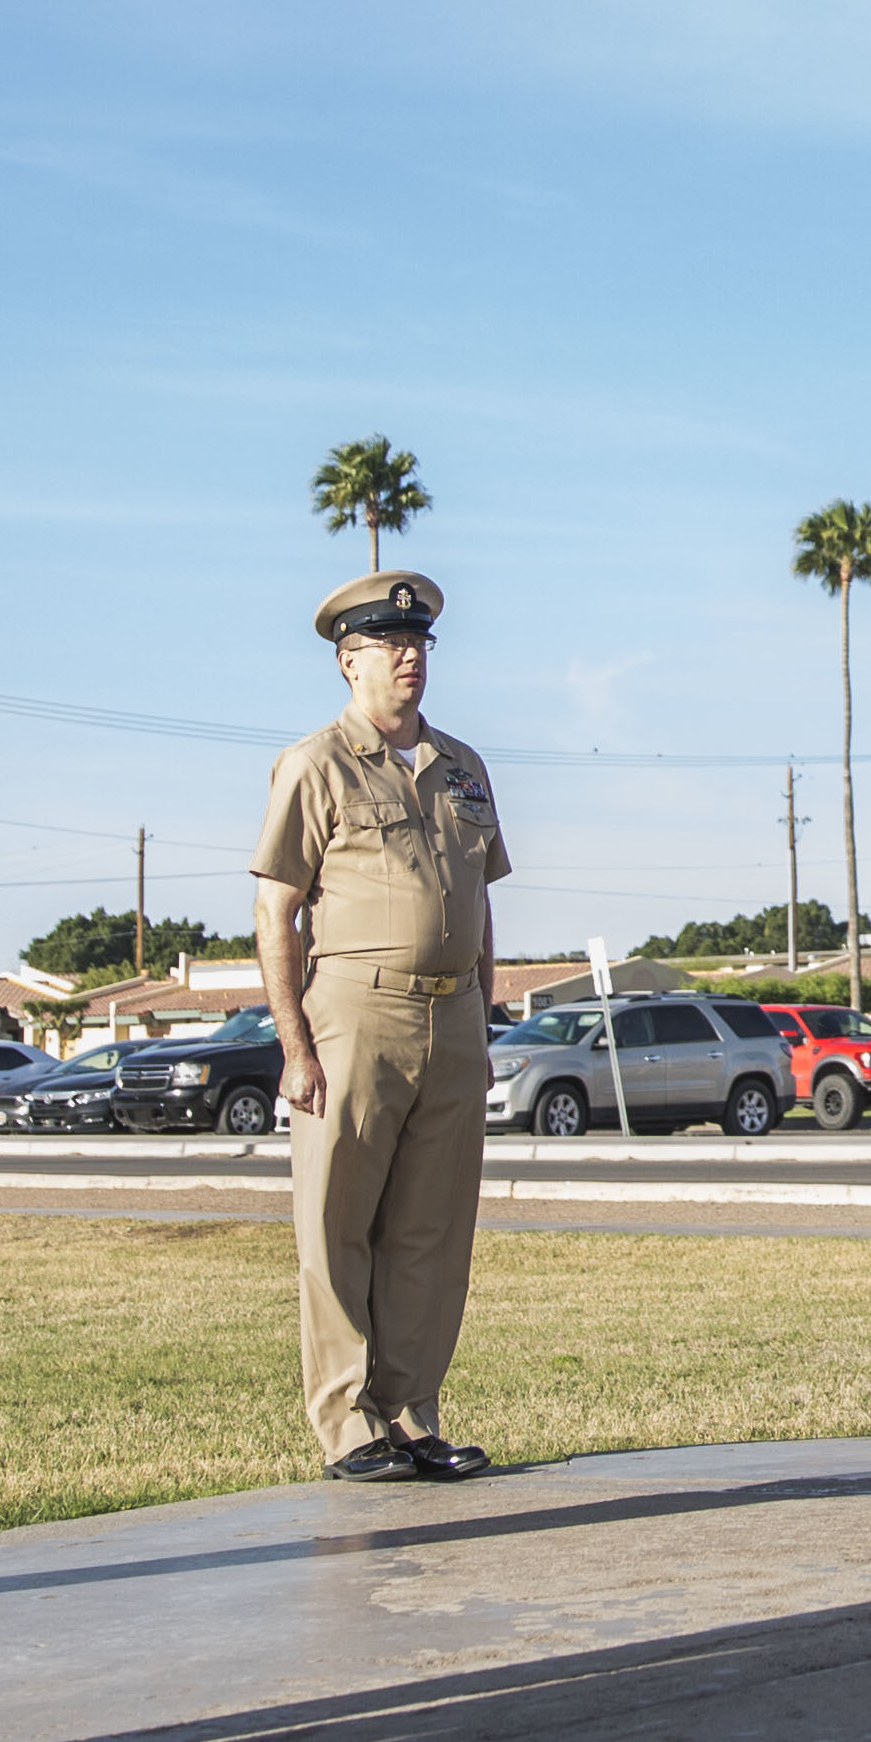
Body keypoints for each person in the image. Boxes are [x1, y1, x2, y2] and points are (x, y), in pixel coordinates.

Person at [253, 570, 513, 1482]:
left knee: (432, 1229)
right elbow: (276, 910)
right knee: (339, 1222)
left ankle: (412, 1412)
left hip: (453, 1015)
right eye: (389, 644)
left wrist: (486, 1021)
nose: (410, 656)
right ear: (347, 660)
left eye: (420, 643)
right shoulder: (314, 764)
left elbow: (479, 903)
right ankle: (347, 1422)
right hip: (354, 1011)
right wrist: (293, 1044)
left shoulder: (464, 768)